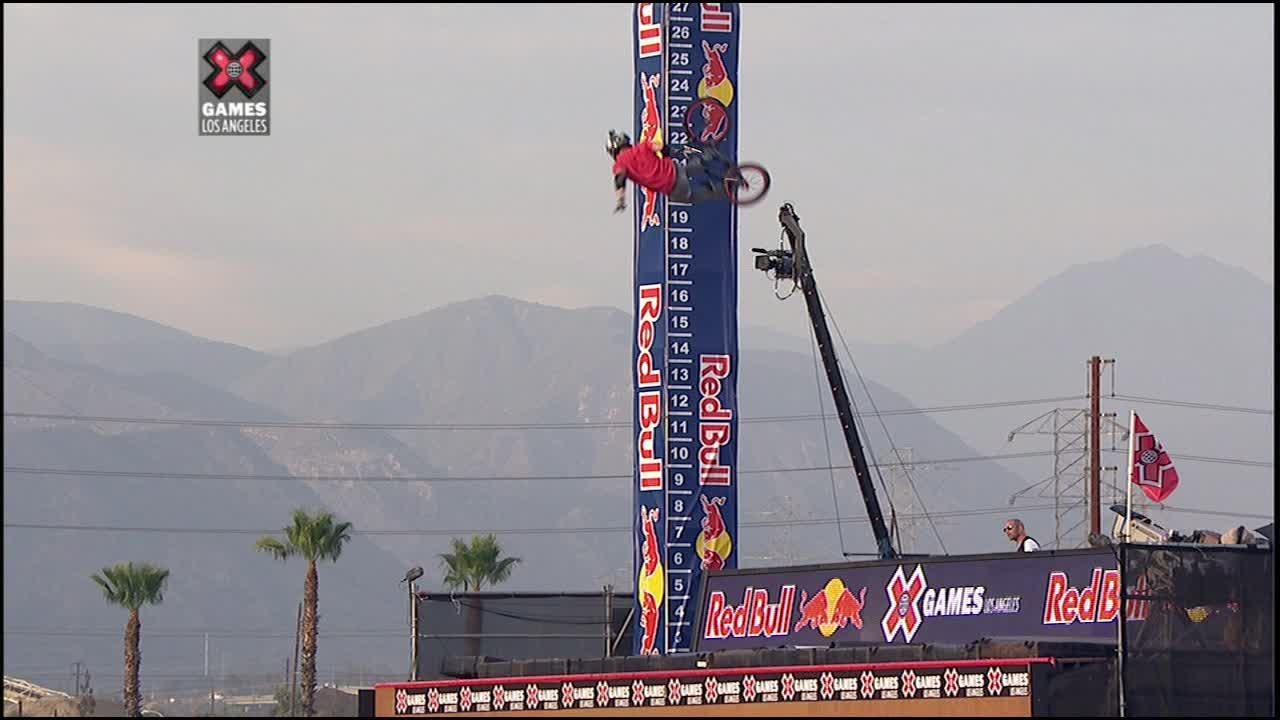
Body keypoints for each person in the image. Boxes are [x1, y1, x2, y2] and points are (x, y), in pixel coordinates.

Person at [607, 130, 716, 212]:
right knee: (690, 167)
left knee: (690, 197)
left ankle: (715, 190)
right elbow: (660, 147)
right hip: (674, 169)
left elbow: (619, 179)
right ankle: (711, 159)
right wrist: (673, 151)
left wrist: (620, 199)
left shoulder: (620, 164)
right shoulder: (642, 147)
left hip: (671, 187)